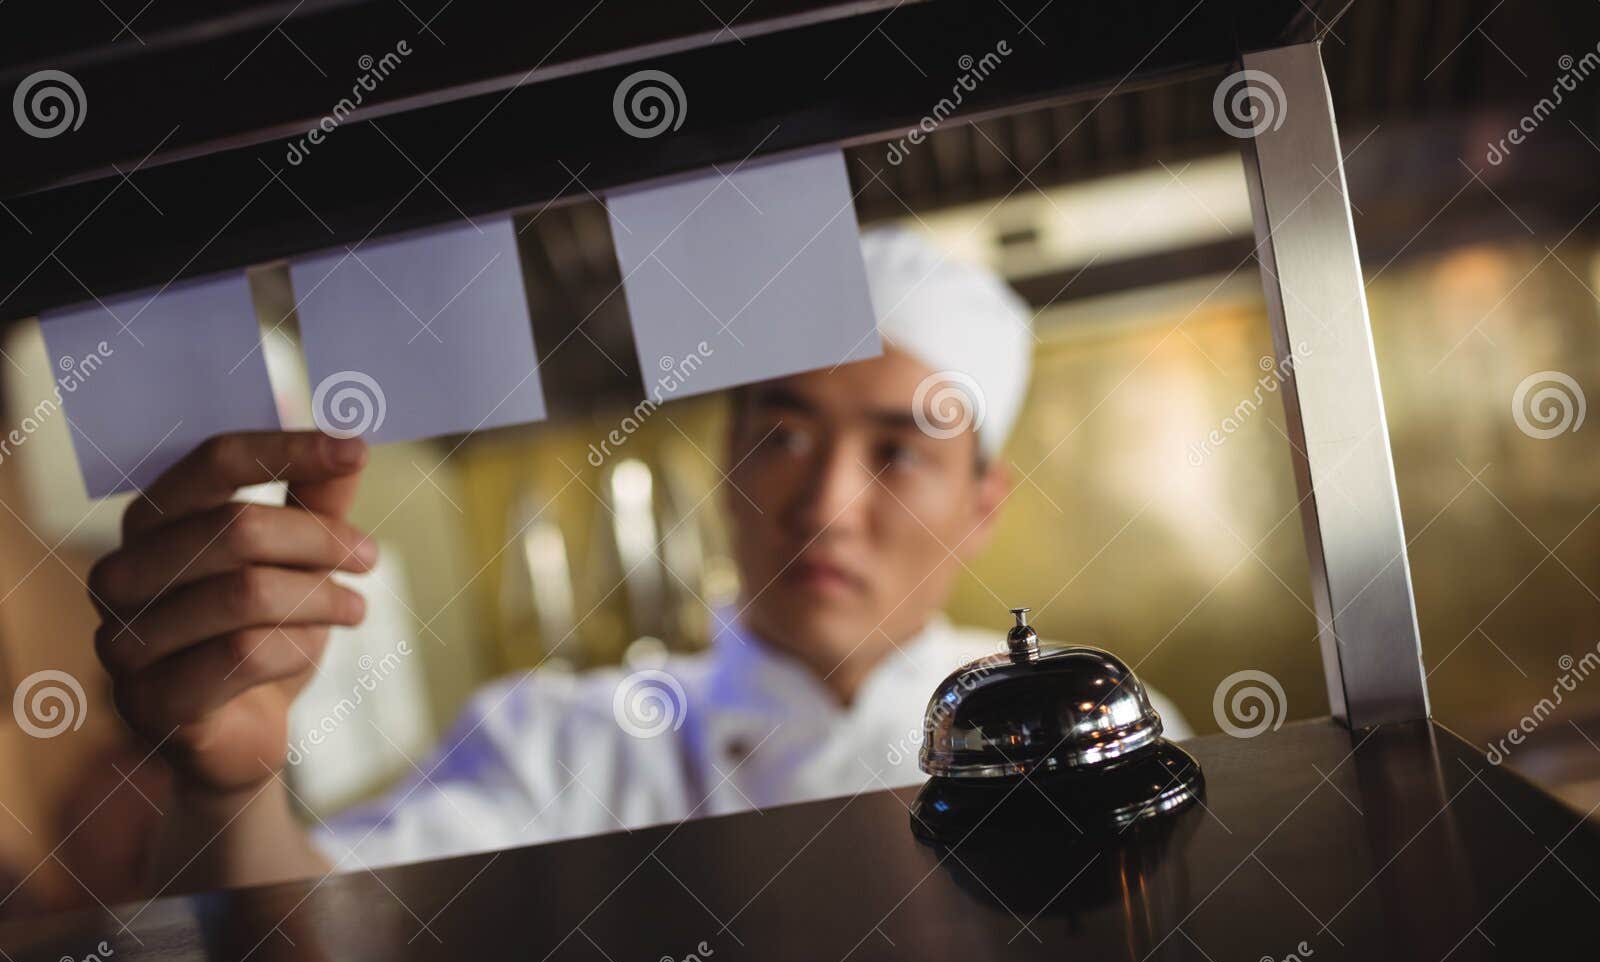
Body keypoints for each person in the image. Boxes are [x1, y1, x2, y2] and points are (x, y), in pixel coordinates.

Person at [88, 227, 1187, 892]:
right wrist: (228, 792)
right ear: (723, 458)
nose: (824, 506)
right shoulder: (558, 740)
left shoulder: (1082, 732)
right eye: (785, 434)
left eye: (898, 451)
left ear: (982, 504)